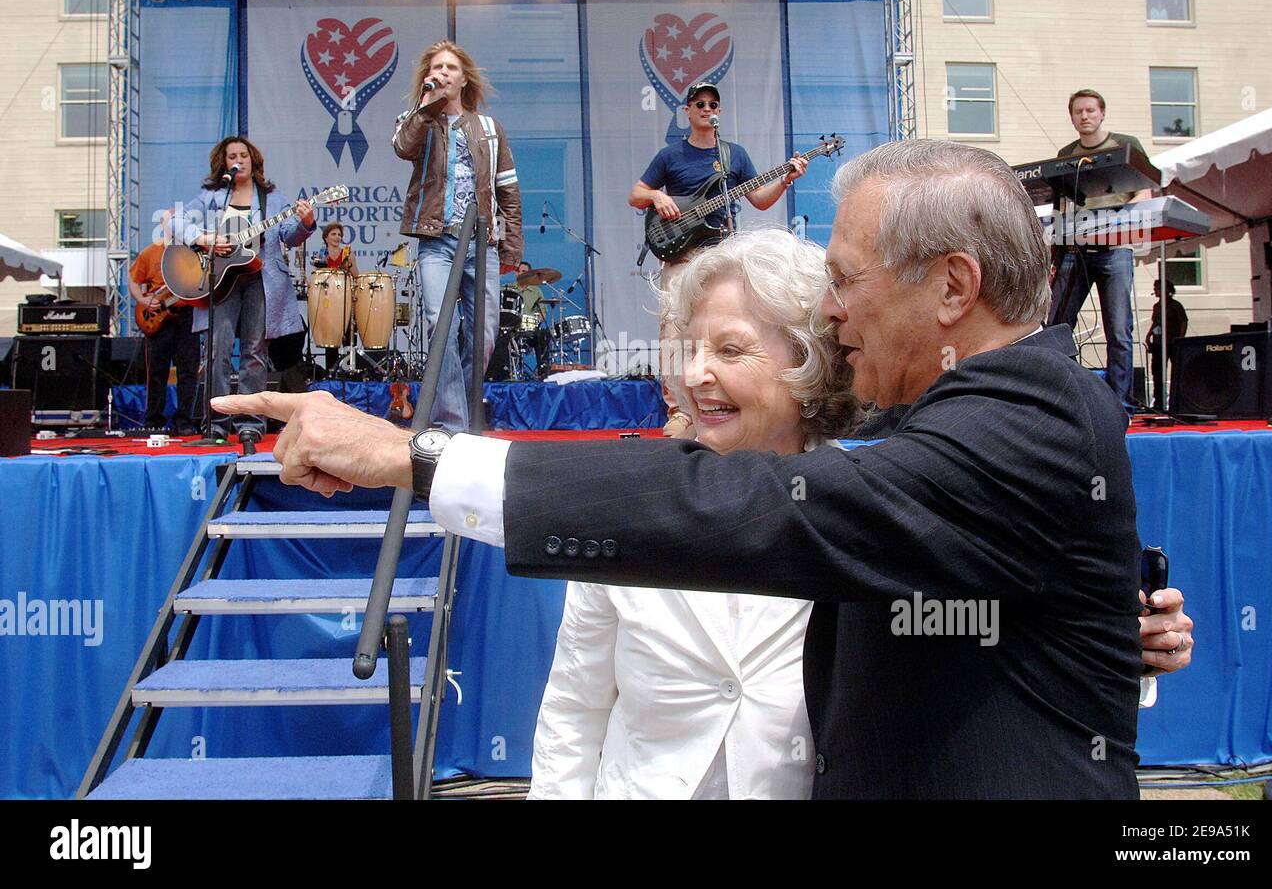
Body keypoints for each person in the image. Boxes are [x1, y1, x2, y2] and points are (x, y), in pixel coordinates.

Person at [215, 140, 1198, 799]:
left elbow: (787, 515)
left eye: (845, 283)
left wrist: (405, 455)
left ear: (952, 287)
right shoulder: (948, 427)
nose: (836, 313)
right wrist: (1102, 622)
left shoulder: (1019, 418)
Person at [530, 230, 860, 799]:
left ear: (809, 364)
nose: (694, 375)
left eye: (730, 351)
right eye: (691, 349)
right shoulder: (626, 505)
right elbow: (574, 707)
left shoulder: (861, 508)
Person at [629, 81, 808, 436]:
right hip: (682, 252)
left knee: (725, 328)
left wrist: (786, 179)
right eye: (700, 104)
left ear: (719, 111)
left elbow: (759, 198)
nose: (707, 109)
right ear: (688, 111)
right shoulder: (671, 156)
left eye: (713, 104)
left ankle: (724, 403)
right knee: (675, 330)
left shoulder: (733, 155)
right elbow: (634, 194)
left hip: (722, 253)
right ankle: (679, 411)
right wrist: (655, 197)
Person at [392, 41, 523, 430]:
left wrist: (513, 242)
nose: (443, 73)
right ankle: (452, 424)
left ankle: (461, 412)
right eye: (436, 67)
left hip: (482, 244)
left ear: (464, 78)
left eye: (450, 68)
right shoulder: (416, 119)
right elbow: (403, 148)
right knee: (439, 324)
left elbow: (508, 191)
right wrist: (427, 104)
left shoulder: (489, 128)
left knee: (484, 335)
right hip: (437, 240)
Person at [170, 136, 315, 439]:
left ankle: (250, 424)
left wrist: (306, 222)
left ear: (254, 160)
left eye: (244, 155)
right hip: (221, 282)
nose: (239, 160)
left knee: (254, 352)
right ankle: (217, 423)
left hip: (261, 280)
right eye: (233, 155)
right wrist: (204, 238)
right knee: (217, 351)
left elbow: (289, 235)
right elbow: (176, 222)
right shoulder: (212, 197)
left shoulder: (271, 197)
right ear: (224, 163)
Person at [1052, 88, 1153, 413]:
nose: (1084, 116)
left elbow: (1145, 191)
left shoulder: (1126, 145)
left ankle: (1120, 404)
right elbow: (1061, 201)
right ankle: (1069, 401)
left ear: (1102, 113)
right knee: (1059, 324)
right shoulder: (1066, 152)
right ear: (1072, 117)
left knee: (1119, 329)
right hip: (1075, 249)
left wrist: (1118, 221)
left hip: (1115, 249)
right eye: (1078, 111)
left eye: (1090, 111)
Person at [128, 228, 199, 434]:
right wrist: (143, 300)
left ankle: (184, 421)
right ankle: (153, 420)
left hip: (186, 314)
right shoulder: (151, 252)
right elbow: (134, 279)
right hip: (158, 316)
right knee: (157, 370)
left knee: (188, 370)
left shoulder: (191, 252)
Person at [311, 222, 358, 375]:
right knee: (329, 335)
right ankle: (331, 371)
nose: (337, 237)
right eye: (333, 234)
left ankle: (347, 370)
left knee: (348, 334)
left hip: (344, 299)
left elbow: (355, 276)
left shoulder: (348, 254)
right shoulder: (321, 254)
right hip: (328, 301)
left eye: (339, 235)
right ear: (326, 237)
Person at [1145, 278, 1189, 411]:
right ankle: (1158, 400)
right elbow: (1156, 323)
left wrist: (1180, 339)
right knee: (1157, 372)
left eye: (1158, 288)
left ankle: (1176, 400)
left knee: (1176, 371)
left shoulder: (1175, 305)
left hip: (1172, 342)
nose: (1156, 291)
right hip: (1159, 343)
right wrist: (1149, 335)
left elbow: (1183, 321)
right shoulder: (1157, 306)